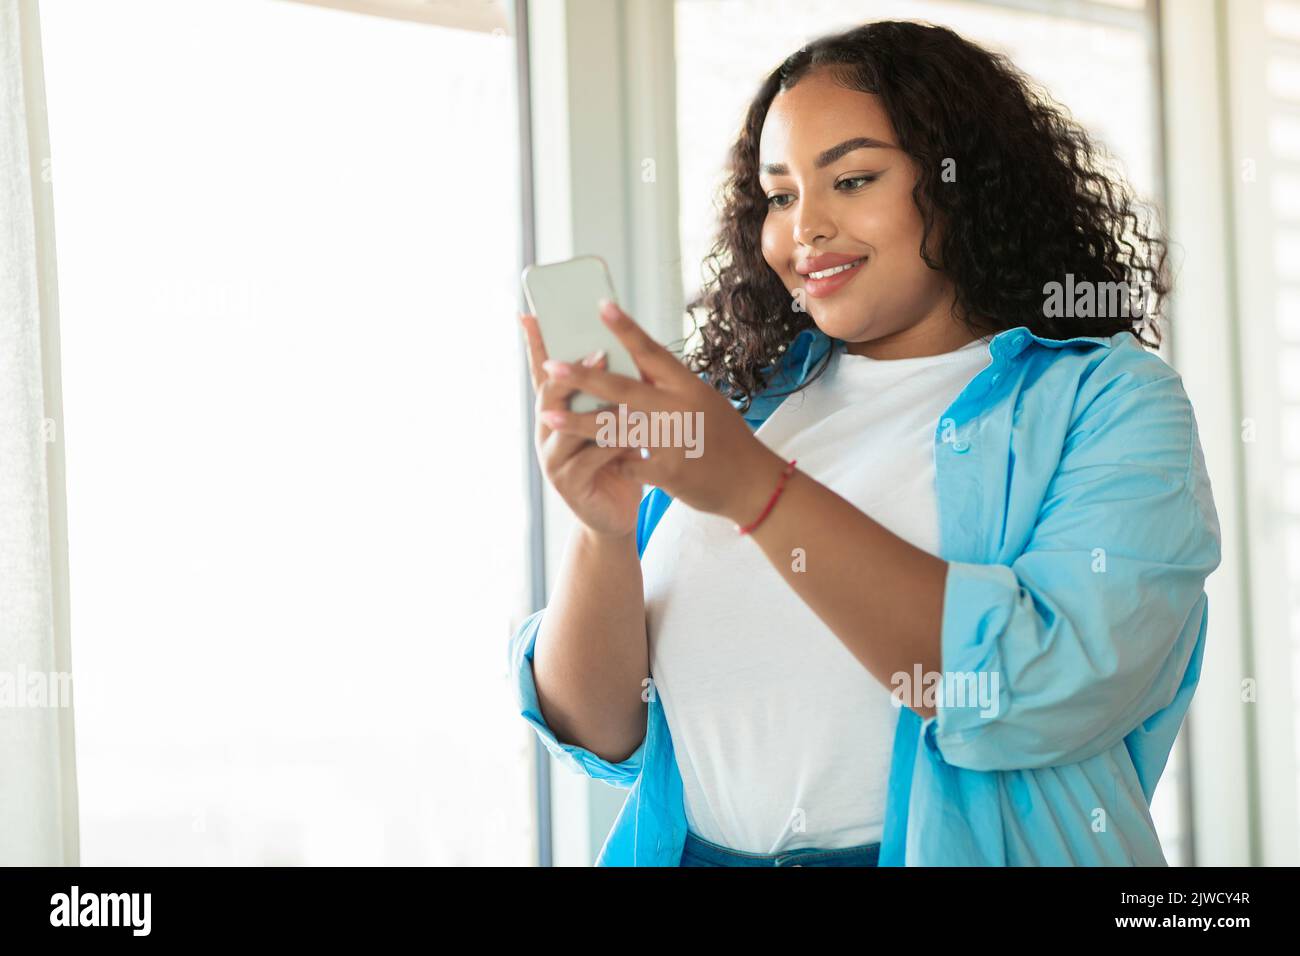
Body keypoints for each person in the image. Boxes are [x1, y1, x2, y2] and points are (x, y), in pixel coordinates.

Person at [510, 20, 1221, 866]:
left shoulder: (1112, 404)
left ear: (963, 185)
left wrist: (755, 492)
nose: (804, 229)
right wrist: (605, 532)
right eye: (779, 196)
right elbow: (602, 731)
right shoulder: (743, 412)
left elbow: (1041, 688)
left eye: (851, 178)